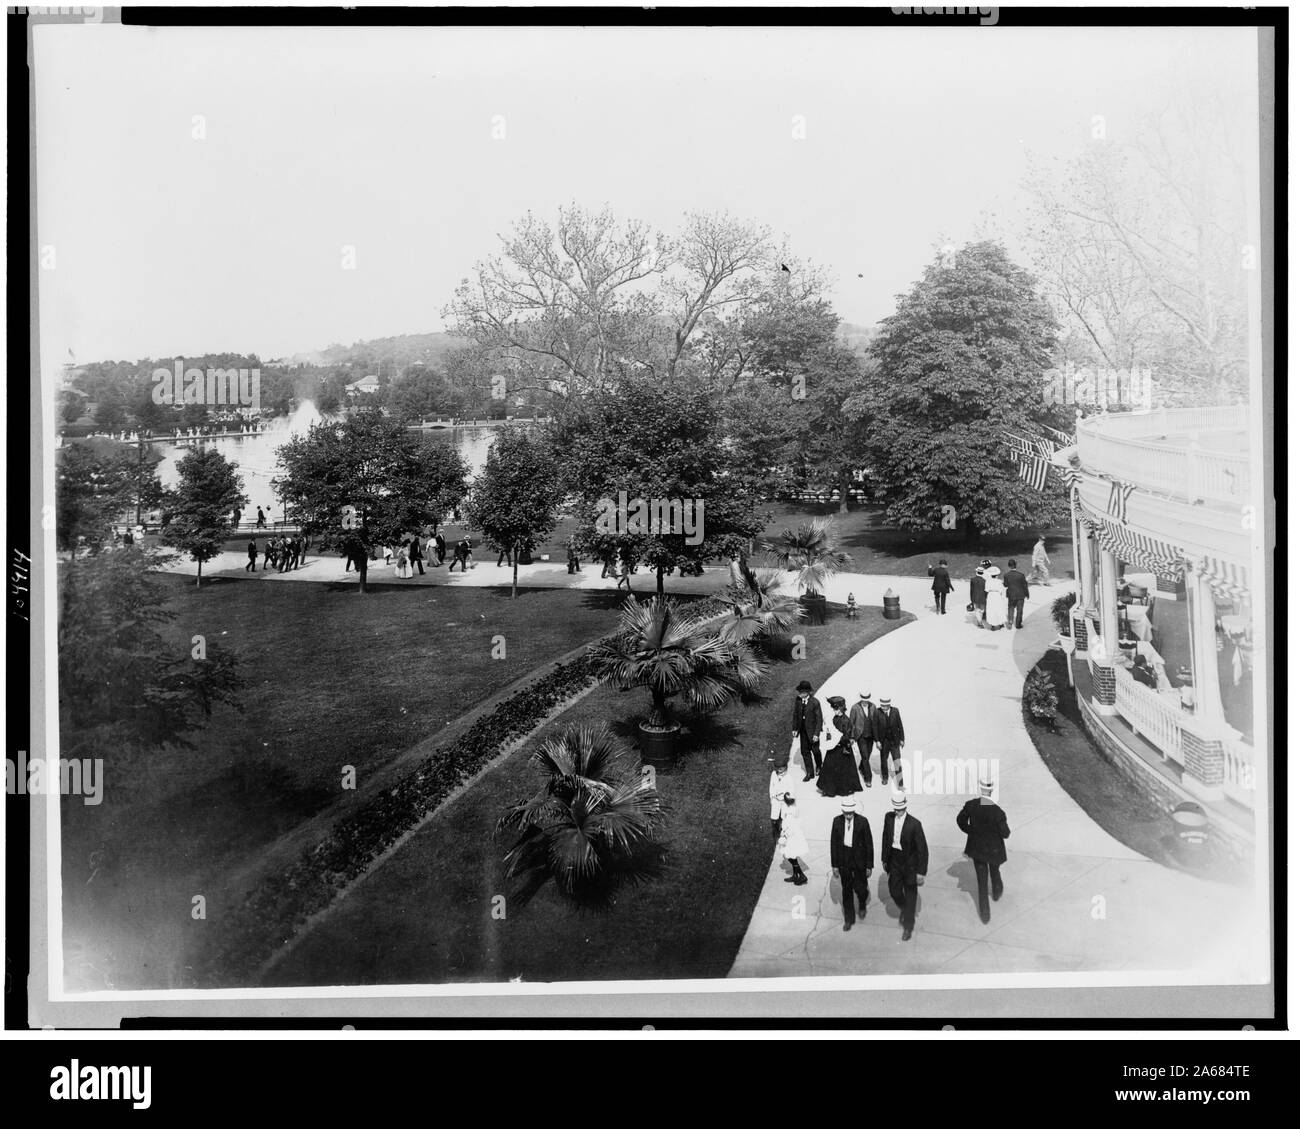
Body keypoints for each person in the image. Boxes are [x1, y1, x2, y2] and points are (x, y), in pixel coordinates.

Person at [956, 777, 1010, 924]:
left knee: (982, 882)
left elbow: (960, 820)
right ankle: (997, 892)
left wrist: (971, 831)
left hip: (977, 849)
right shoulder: (998, 812)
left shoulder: (971, 805)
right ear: (991, 791)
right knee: (995, 871)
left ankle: (985, 914)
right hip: (994, 850)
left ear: (980, 790)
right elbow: (1006, 833)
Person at [881, 790, 929, 941]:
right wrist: (884, 859)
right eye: (896, 809)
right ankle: (906, 909)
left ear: (905, 807)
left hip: (910, 864)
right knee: (894, 891)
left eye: (900, 809)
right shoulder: (888, 818)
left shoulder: (915, 824)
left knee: (910, 894)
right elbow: (885, 837)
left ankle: (909, 925)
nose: (898, 812)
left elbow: (923, 850)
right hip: (894, 860)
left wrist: (921, 872)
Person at [830, 798, 874, 931]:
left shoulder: (863, 822)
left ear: (854, 810)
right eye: (846, 813)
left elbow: (869, 844)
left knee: (861, 888)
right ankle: (849, 918)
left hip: (859, 859)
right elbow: (834, 844)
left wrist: (869, 865)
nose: (848, 816)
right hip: (844, 859)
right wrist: (835, 865)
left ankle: (862, 903)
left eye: (851, 813)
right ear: (842, 811)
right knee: (847, 890)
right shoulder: (837, 821)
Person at [817, 696, 863, 798]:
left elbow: (847, 735)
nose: (835, 711)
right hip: (834, 747)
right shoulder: (835, 718)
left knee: (843, 770)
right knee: (829, 767)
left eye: (836, 709)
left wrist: (839, 741)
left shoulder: (846, 721)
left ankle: (842, 789)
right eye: (834, 709)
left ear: (842, 708)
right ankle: (828, 789)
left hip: (842, 748)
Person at [791, 680, 824, 783]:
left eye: (802, 692)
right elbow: (796, 715)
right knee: (804, 751)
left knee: (815, 751)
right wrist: (795, 729)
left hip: (813, 731)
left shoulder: (815, 702)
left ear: (808, 692)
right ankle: (810, 772)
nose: (800, 694)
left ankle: (819, 765)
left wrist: (816, 734)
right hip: (803, 731)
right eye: (799, 692)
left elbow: (819, 719)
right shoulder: (798, 700)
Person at [871, 695, 905, 786]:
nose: (884, 708)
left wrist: (902, 739)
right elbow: (874, 727)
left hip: (895, 741)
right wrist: (877, 741)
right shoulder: (877, 712)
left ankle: (900, 780)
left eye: (885, 706)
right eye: (882, 706)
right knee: (883, 760)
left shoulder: (895, 711)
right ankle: (885, 778)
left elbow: (900, 725)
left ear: (889, 705)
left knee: (897, 760)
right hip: (883, 741)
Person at [777, 794, 810, 886]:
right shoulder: (790, 808)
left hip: (791, 836)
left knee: (791, 856)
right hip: (790, 834)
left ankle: (802, 876)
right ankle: (796, 875)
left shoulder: (791, 812)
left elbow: (792, 826)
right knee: (791, 856)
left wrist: (785, 835)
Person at [769, 747, 792, 841]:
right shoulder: (773, 775)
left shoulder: (788, 777)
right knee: (774, 816)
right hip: (775, 799)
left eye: (781, 768)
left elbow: (791, 789)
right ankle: (775, 832)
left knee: (784, 816)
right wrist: (772, 796)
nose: (779, 770)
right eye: (778, 768)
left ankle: (783, 832)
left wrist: (787, 797)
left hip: (784, 800)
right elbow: (771, 786)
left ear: (785, 767)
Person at [1003, 558, 1030, 629]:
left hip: (1011, 595)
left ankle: (1010, 622)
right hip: (1020, 595)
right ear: (1016, 565)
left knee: (1010, 608)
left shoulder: (1006, 575)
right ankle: (1018, 624)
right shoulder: (1021, 575)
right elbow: (1025, 586)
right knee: (1019, 610)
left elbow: (1005, 585)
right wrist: (1027, 594)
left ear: (1009, 566)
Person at [984, 566, 1007, 630]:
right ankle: (1001, 623)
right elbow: (1001, 590)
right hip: (997, 595)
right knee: (999, 609)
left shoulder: (987, 581)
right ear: (997, 575)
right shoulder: (999, 581)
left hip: (990, 595)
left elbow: (986, 590)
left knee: (991, 610)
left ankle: (993, 625)